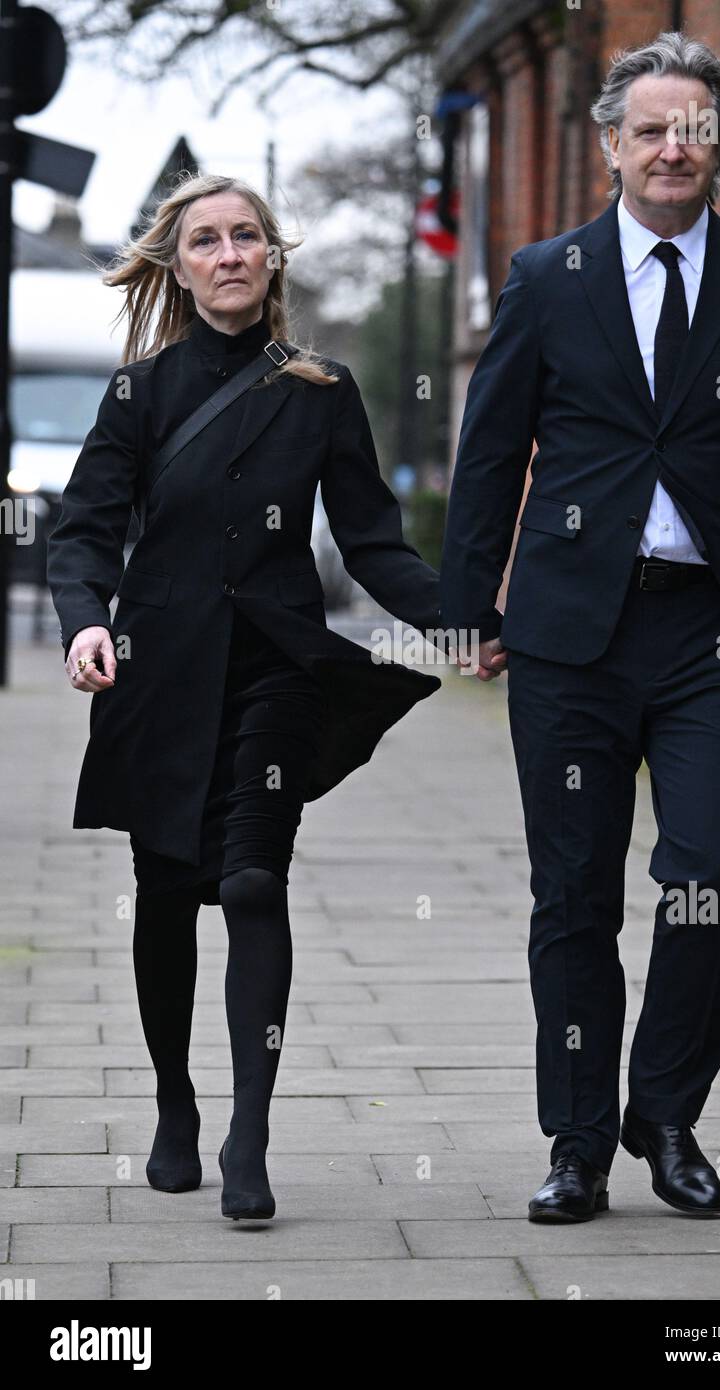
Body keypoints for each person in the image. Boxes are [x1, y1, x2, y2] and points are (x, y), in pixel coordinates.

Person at [440, 31, 720, 1223]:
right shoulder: (543, 276)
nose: (674, 148)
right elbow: (487, 454)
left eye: (695, 130)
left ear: (719, 147)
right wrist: (468, 612)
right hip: (569, 634)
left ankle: (664, 1115)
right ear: (612, 146)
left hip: (709, 632)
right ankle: (575, 1143)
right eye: (651, 129)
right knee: (571, 894)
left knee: (711, 874)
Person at [46, 172, 441, 1222]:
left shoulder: (321, 390)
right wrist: (87, 618)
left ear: (273, 256)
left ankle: (247, 1131)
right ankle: (175, 1103)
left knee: (255, 883)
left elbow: (371, 543)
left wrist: (469, 616)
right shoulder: (141, 394)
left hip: (275, 662)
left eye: (247, 237)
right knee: (169, 892)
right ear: (178, 268)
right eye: (207, 241)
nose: (229, 253)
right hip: (158, 670)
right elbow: (84, 527)